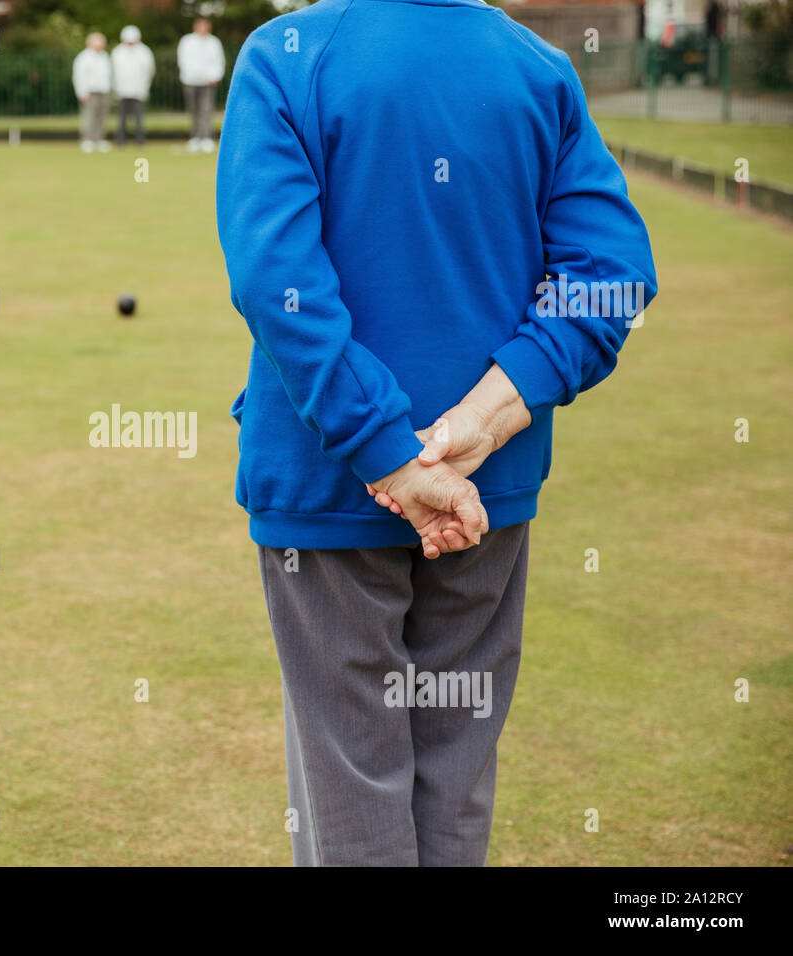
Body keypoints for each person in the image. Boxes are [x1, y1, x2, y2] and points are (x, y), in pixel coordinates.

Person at [215, 0, 656, 866]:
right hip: (484, 493)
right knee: (455, 784)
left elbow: (278, 284)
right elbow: (611, 281)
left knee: (350, 791)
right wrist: (484, 421)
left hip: (327, 486)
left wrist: (392, 451)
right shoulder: (534, 66)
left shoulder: (287, 53)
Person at [177, 17, 224, 153]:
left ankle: (206, 137)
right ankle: (195, 137)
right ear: (195, 27)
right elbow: (183, 59)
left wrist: (215, 76)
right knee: (193, 110)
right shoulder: (187, 41)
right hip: (190, 80)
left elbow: (219, 61)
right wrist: (190, 74)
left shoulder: (214, 42)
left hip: (208, 82)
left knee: (206, 110)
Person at [111, 25, 155, 147]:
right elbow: (114, 72)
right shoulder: (117, 52)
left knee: (139, 118)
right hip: (122, 90)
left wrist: (145, 87)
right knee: (121, 118)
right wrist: (115, 88)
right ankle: (120, 140)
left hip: (139, 89)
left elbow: (149, 70)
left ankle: (139, 140)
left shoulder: (144, 52)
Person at [72, 32, 112, 153]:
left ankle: (99, 139)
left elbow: (109, 74)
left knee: (101, 117)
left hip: (103, 90)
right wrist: (81, 93)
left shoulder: (105, 56)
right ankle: (87, 140)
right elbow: (79, 76)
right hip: (90, 91)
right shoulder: (83, 57)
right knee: (89, 116)